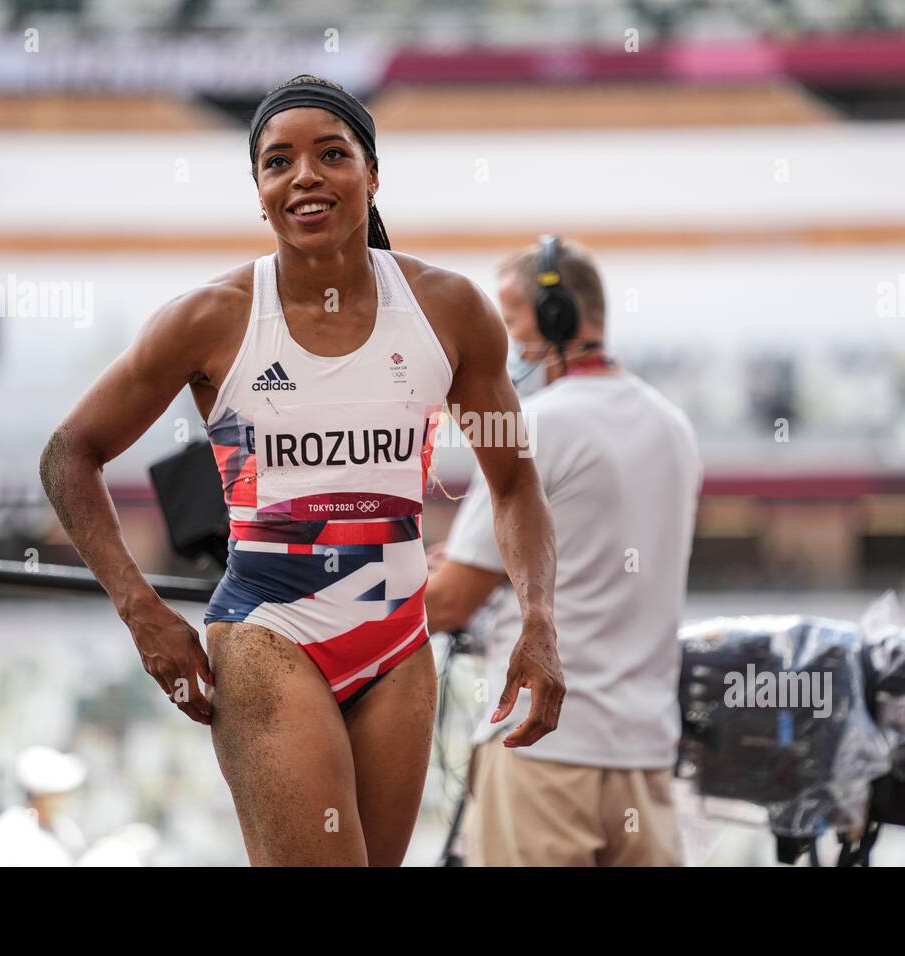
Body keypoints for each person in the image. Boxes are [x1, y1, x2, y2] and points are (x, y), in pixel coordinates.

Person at [39, 74, 564, 866]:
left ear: (372, 173)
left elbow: (515, 483)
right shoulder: (209, 317)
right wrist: (141, 612)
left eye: (331, 154)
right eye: (278, 162)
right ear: (259, 192)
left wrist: (539, 620)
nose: (305, 176)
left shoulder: (447, 311)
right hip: (267, 632)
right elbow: (69, 454)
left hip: (397, 642)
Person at [425, 236, 701, 866]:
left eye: (512, 320)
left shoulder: (538, 423)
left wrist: (332, 604)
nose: (503, 341)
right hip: (644, 757)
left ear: (556, 317)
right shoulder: (673, 427)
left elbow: (447, 603)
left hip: (541, 753)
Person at [0, 745, 86, 866]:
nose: (63, 801)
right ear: (41, 796)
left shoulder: (67, 832)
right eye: (57, 795)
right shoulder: (6, 833)